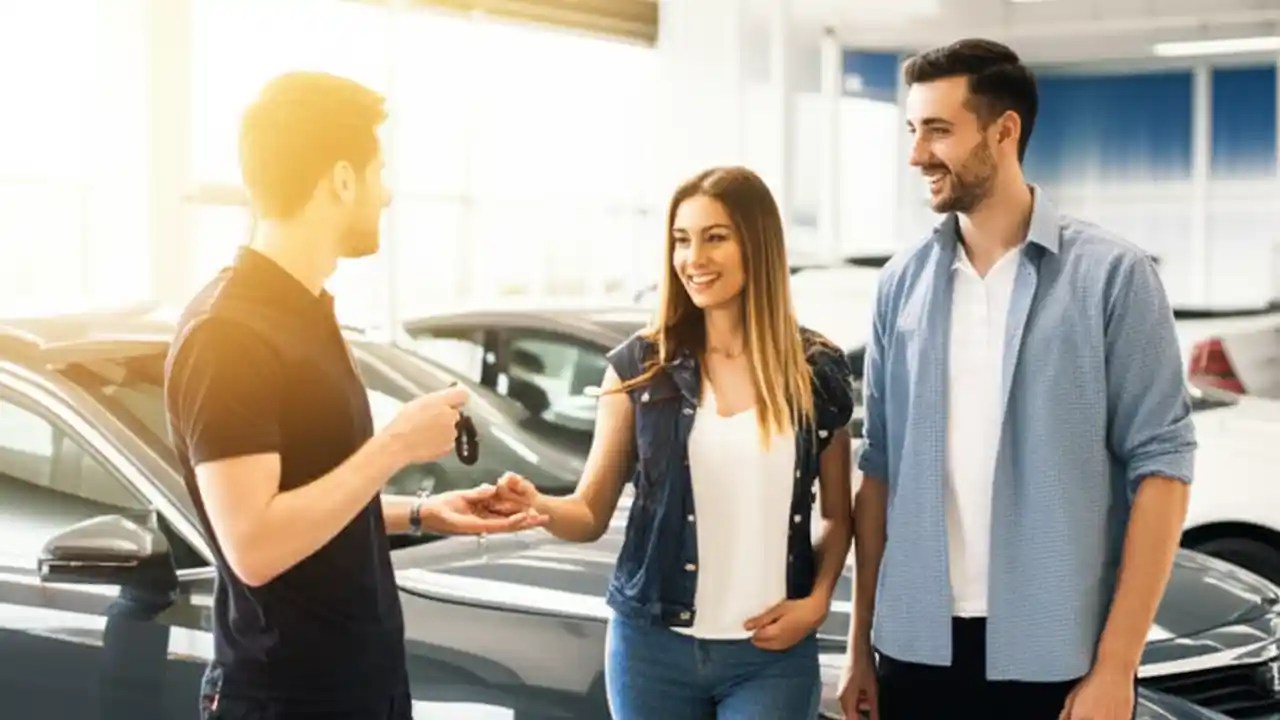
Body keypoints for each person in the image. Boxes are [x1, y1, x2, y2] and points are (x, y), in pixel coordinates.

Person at [163, 71, 547, 720]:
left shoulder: (305, 310)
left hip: (358, 684)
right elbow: (254, 547)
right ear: (341, 179)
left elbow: (306, 495)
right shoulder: (227, 333)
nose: (386, 194)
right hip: (286, 697)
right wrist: (393, 445)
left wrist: (424, 513)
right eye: (378, 173)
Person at [838, 39, 1196, 720]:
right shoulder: (900, 286)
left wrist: (1118, 667)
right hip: (915, 653)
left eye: (938, 130)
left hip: (1057, 656)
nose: (916, 154)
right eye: (912, 131)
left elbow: (1164, 469)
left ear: (1005, 132)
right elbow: (877, 472)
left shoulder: (1113, 277)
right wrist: (861, 648)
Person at [488, 166, 857, 719]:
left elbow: (837, 512)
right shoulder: (640, 368)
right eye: (682, 240)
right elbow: (589, 513)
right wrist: (538, 507)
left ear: (757, 244)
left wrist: (817, 600)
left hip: (769, 657)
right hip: (651, 651)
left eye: (716, 237)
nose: (694, 259)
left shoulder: (815, 371)